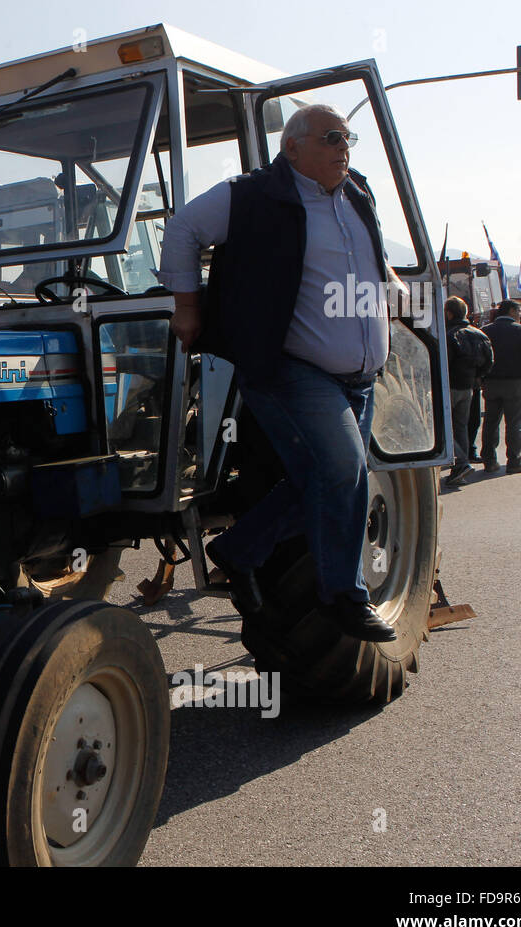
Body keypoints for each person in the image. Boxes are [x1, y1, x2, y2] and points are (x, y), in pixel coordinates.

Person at [160, 103, 403, 643]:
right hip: (295, 368)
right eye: (332, 137)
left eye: (349, 137)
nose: (344, 146)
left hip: (358, 377)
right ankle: (344, 593)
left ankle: (240, 549)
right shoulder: (252, 195)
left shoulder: (357, 193)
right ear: (292, 148)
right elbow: (180, 231)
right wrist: (188, 307)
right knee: (345, 472)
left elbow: (362, 256)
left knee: (324, 480)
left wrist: (390, 281)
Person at [480, 299, 521, 474]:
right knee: (514, 424)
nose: (520, 314)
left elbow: (480, 356)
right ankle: (515, 461)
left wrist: (483, 378)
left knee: (490, 422)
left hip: (491, 383)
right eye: (519, 310)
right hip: (516, 383)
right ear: (512, 311)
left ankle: (489, 461)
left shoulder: (486, 331)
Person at [443, 296, 493, 487]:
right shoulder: (478, 334)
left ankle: (461, 463)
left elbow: (445, 363)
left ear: (449, 313)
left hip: (451, 387)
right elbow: (489, 360)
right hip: (469, 388)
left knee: (443, 428)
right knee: (461, 427)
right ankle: (459, 469)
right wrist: (478, 378)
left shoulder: (450, 335)